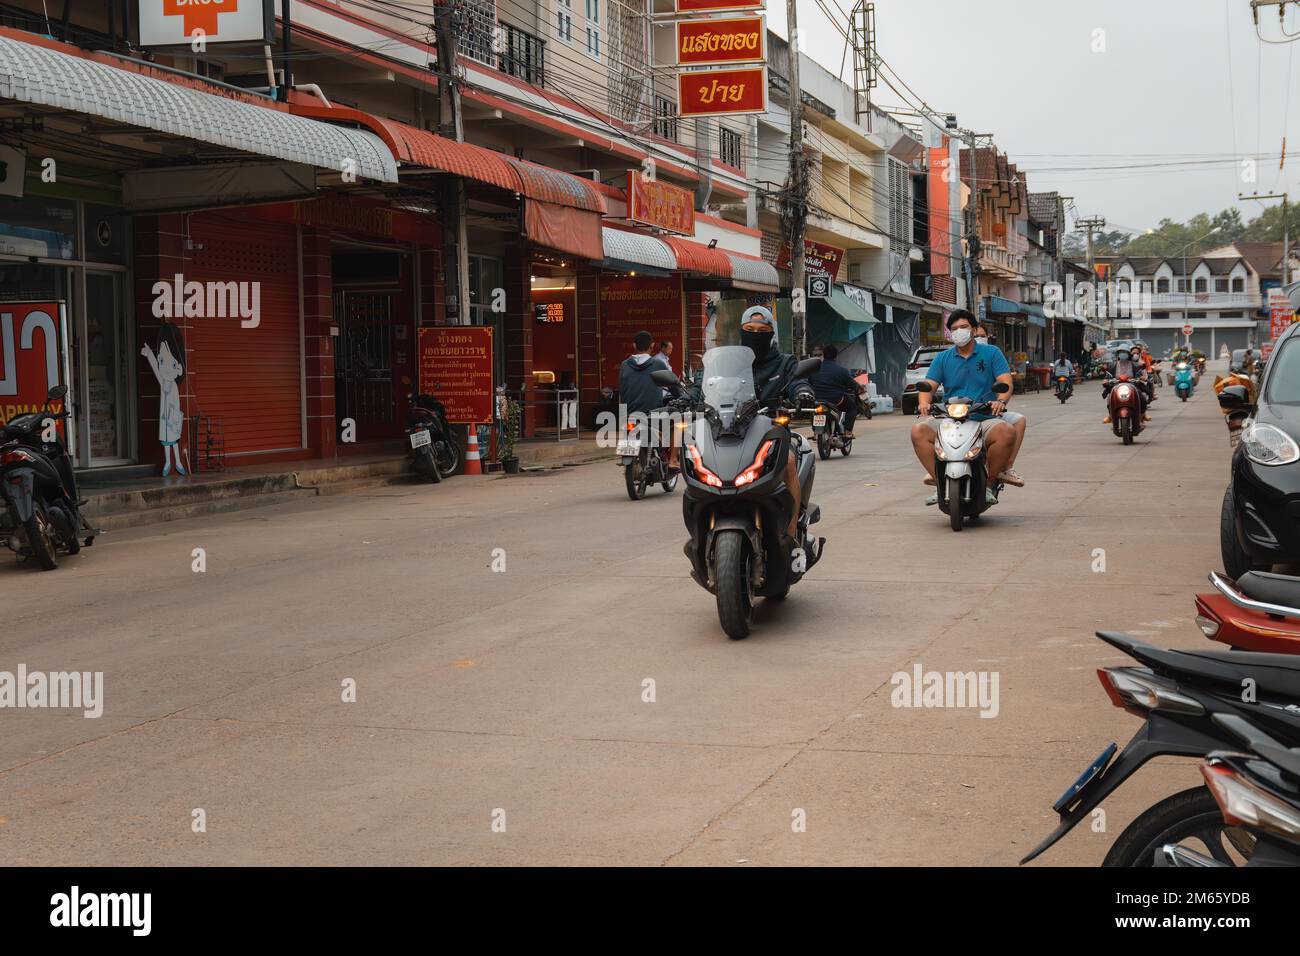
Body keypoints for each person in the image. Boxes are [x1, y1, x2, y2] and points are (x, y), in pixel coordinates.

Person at [910, 309, 1019, 506]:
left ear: (974, 329)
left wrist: (1000, 401)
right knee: (918, 431)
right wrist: (924, 402)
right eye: (954, 329)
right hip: (949, 417)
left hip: (984, 416)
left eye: (963, 327)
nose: (959, 332)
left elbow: (1005, 382)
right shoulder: (943, 358)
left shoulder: (991, 353)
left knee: (1006, 432)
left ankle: (989, 483)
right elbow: (929, 385)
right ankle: (939, 482)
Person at [738, 305, 817, 544]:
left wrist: (803, 393)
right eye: (749, 329)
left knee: (789, 463)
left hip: (772, 432)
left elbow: (797, 382)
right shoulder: (732, 361)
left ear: (771, 333)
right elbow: (704, 384)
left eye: (762, 329)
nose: (755, 333)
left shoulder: (784, 362)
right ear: (741, 331)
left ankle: (790, 537)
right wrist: (683, 398)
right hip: (732, 433)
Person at [618, 330, 678, 471]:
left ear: (634, 346)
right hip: (654, 413)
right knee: (678, 422)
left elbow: (622, 390)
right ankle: (673, 460)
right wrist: (680, 396)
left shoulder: (625, 365)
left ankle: (626, 453)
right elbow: (673, 387)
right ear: (652, 345)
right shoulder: (658, 364)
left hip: (631, 413)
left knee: (627, 426)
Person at [808, 344, 859, 439]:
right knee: (852, 408)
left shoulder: (814, 369)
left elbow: (808, 383)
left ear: (823, 355)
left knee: (814, 410)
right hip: (836, 400)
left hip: (817, 400)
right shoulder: (842, 370)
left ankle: (815, 431)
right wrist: (858, 388)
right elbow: (854, 385)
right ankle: (847, 432)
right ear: (836, 356)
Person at [1103, 347, 1151, 422]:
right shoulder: (1113, 365)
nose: (1122, 354)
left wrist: (1142, 378)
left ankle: (1142, 416)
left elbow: (1140, 375)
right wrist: (1106, 381)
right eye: (1121, 352)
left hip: (1133, 385)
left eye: (1124, 352)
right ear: (1118, 354)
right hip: (1117, 386)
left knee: (1142, 397)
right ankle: (1111, 416)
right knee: (1110, 398)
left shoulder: (1135, 365)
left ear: (1128, 354)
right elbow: (1108, 376)